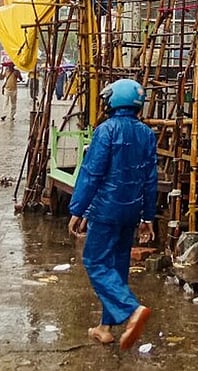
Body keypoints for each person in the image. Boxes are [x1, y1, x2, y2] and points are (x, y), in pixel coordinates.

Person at [67, 78, 157, 351]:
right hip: (131, 210)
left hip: (107, 210)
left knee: (95, 261)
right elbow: (150, 179)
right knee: (117, 267)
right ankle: (105, 328)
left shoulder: (106, 131)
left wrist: (77, 208)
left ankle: (131, 310)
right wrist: (148, 217)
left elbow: (92, 173)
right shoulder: (146, 134)